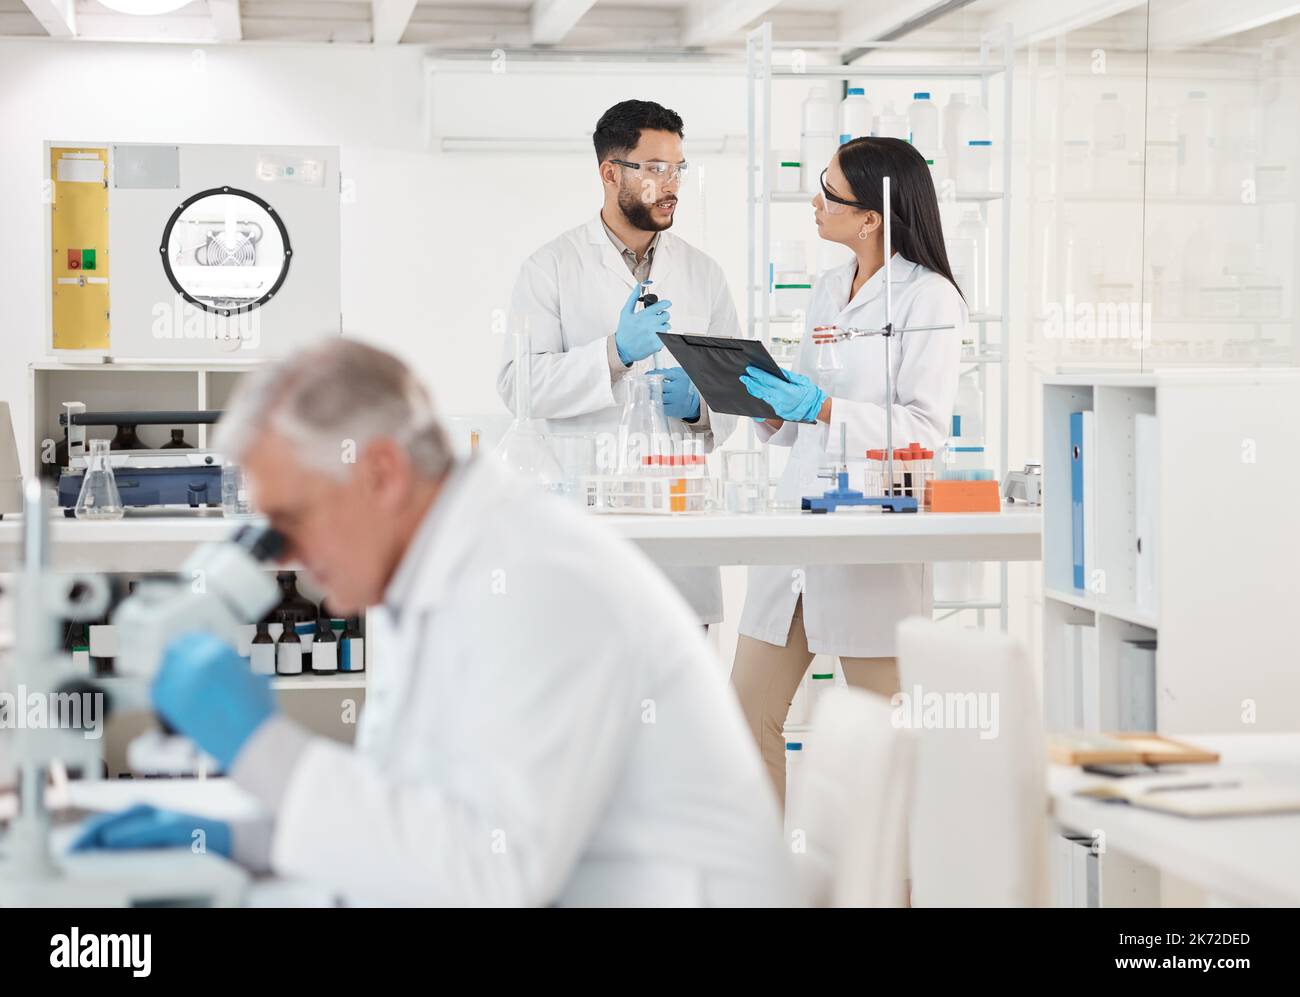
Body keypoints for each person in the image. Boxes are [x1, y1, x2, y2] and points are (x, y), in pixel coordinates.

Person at [73, 341, 798, 907]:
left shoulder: (532, 576)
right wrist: (243, 839)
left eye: (286, 523)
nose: (281, 558)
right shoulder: (423, 569)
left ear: (381, 473)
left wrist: (262, 749)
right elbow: (427, 814)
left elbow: (492, 875)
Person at [731, 137, 966, 801]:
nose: (815, 201)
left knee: (888, 744)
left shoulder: (932, 300)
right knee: (746, 719)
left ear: (871, 217)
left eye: (829, 192)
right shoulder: (829, 288)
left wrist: (826, 406)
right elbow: (808, 408)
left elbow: (922, 433)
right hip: (796, 538)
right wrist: (764, 404)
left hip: (870, 540)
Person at [499, 99, 739, 629]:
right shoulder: (550, 268)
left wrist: (702, 403)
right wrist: (614, 355)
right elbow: (519, 387)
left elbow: (739, 389)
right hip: (585, 525)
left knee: (683, 704)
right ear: (611, 173)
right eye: (654, 169)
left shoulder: (704, 274)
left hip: (680, 530)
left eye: (677, 168)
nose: (671, 183)